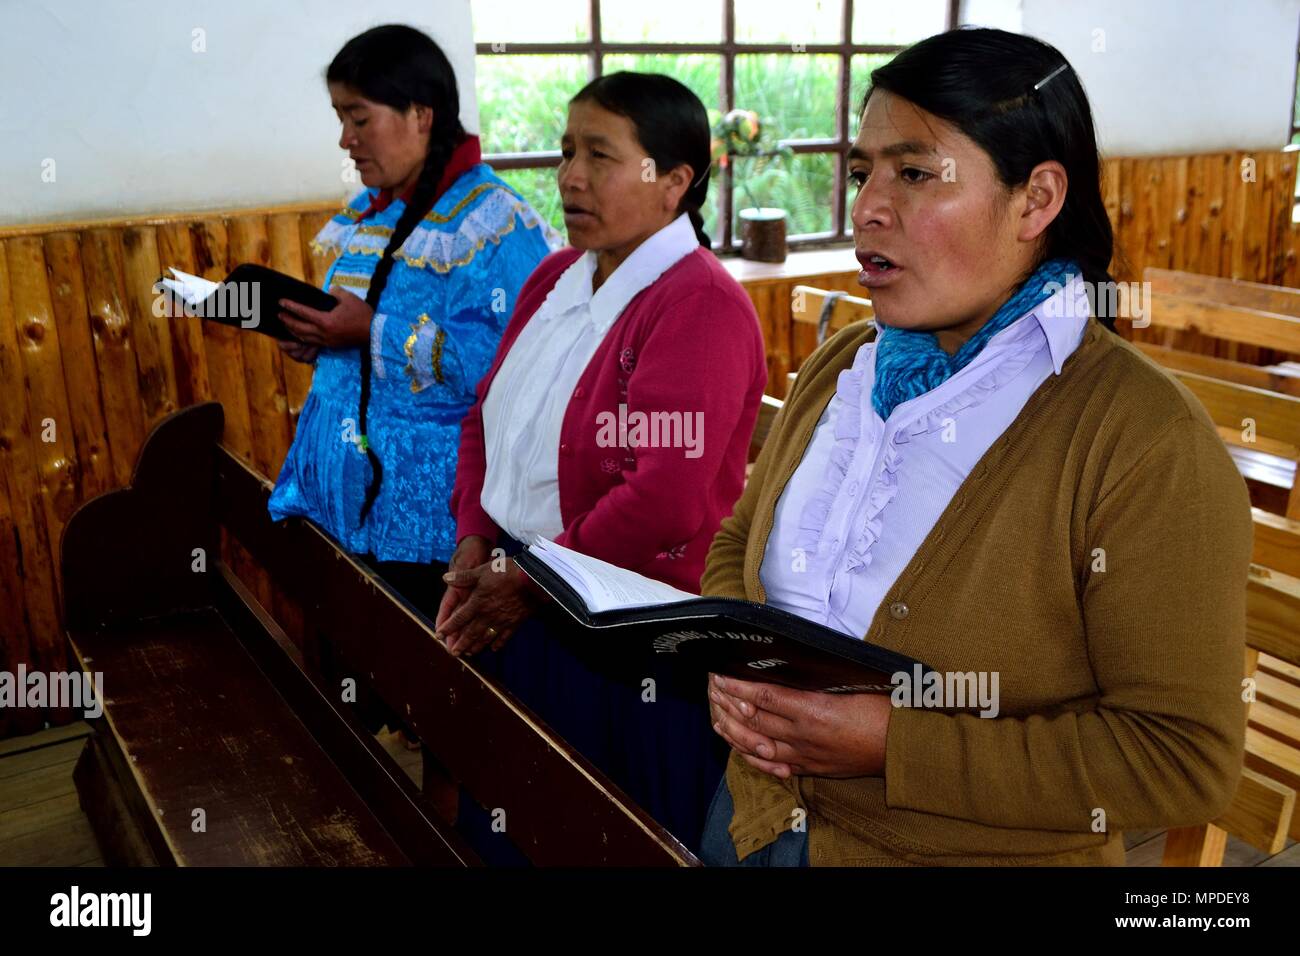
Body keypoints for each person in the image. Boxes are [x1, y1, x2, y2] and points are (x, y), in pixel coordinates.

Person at [699, 28, 1252, 866]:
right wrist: (734, 665)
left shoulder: (1142, 444)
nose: (867, 208)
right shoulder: (842, 368)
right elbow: (742, 540)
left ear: (1036, 201)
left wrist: (897, 743)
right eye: (862, 173)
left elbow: (1180, 757)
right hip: (754, 816)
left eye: (915, 173)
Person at [437, 72, 767, 851]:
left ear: (674, 182)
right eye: (565, 152)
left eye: (600, 156)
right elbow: (487, 416)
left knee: (609, 834)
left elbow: (664, 497)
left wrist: (524, 582)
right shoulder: (557, 276)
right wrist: (474, 543)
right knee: (517, 816)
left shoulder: (699, 306)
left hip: (627, 635)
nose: (569, 176)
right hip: (523, 597)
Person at [267, 24, 557, 735]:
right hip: (345, 506)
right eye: (341, 119)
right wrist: (320, 341)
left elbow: (508, 370)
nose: (346, 140)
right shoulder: (369, 218)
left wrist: (369, 333)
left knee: (447, 718)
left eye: (358, 117)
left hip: (435, 525)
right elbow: (360, 335)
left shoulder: (495, 223)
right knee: (351, 692)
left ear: (421, 115)